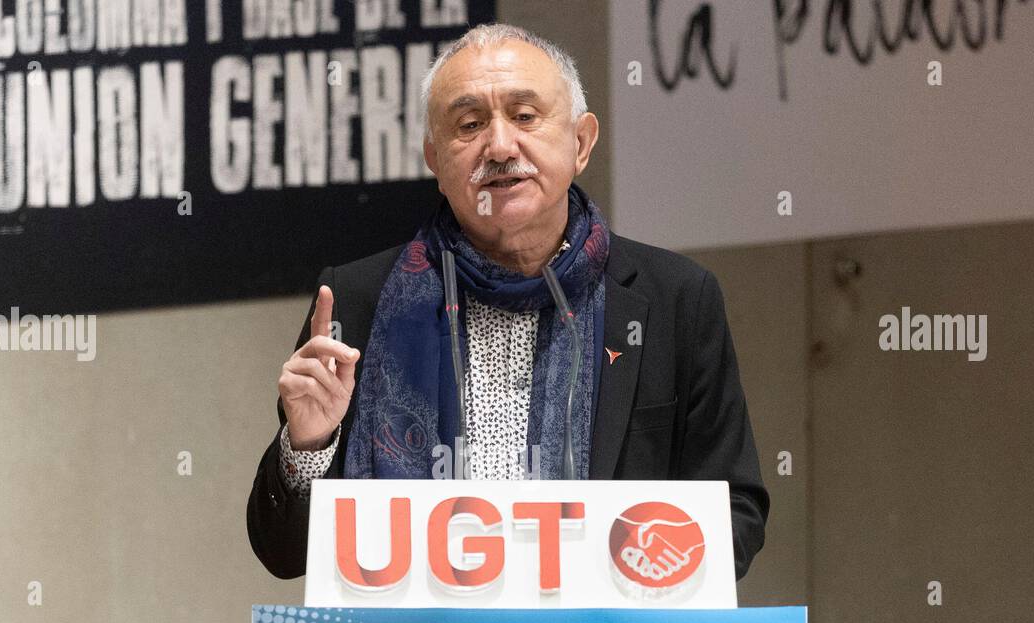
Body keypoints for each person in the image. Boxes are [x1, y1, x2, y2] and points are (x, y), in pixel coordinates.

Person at [247, 23, 769, 581]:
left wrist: (620, 576)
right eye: (469, 125)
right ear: (434, 159)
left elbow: (736, 511)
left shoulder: (672, 300)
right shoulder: (358, 300)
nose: (499, 146)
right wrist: (309, 445)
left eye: (525, 116)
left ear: (581, 142)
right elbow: (284, 554)